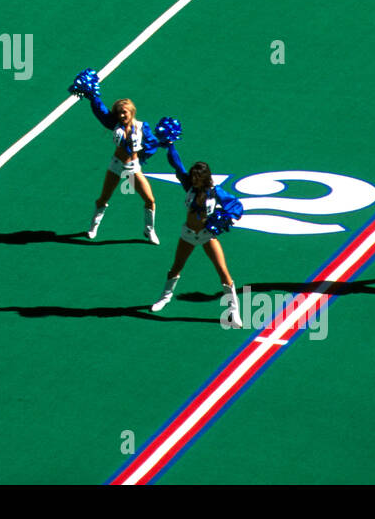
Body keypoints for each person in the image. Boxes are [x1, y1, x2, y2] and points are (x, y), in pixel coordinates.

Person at [149, 134, 245, 328]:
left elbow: (235, 205)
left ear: (205, 177)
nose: (193, 179)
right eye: (193, 176)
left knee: (222, 271)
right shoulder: (189, 186)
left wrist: (226, 218)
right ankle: (165, 297)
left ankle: (233, 311)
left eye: (197, 177)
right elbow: (177, 166)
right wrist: (170, 147)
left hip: (207, 235)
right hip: (188, 234)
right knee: (176, 267)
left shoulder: (216, 191)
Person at [68, 70, 160, 243]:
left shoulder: (142, 127)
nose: (122, 115)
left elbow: (152, 143)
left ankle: (149, 230)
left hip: (133, 168)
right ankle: (93, 227)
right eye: (119, 113)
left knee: (150, 199)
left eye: (125, 112)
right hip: (116, 165)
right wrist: (93, 96)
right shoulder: (115, 124)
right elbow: (100, 110)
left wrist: (141, 156)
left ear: (132, 112)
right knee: (104, 197)